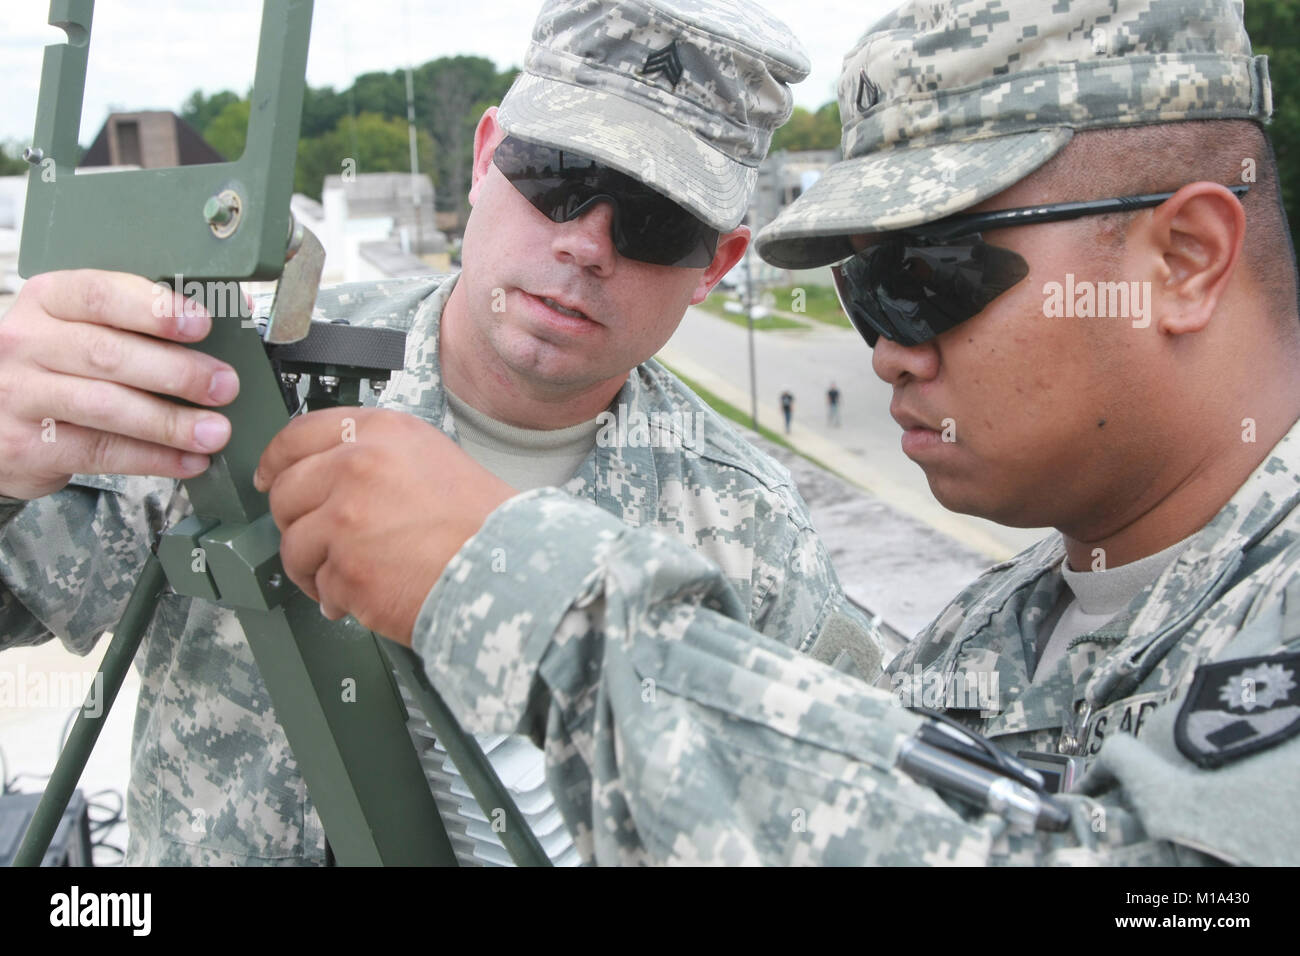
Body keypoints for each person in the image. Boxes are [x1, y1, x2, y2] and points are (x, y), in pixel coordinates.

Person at [266, 0, 1299, 865]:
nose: (887, 351)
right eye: (864, 289)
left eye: (927, 276)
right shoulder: (979, 643)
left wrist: (522, 588)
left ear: (1183, 260)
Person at [0, 0, 883, 865]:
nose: (586, 244)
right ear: (486, 155)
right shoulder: (240, 382)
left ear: (717, 265)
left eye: (656, 222)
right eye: (560, 178)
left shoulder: (753, 538)